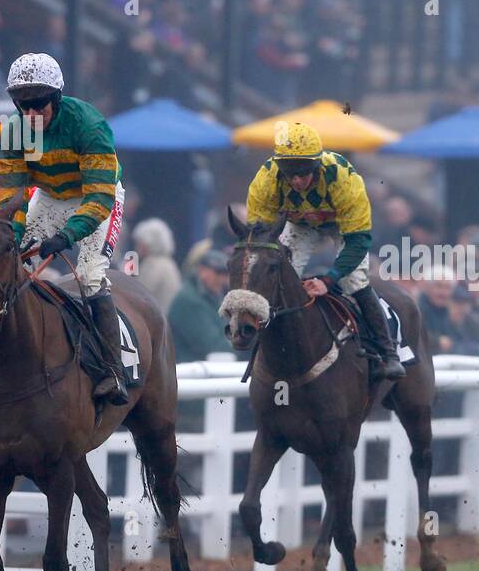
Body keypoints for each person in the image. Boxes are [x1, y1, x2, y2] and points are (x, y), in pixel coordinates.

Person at [0, 52, 130, 405]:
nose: (32, 113)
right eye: (23, 105)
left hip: (96, 196)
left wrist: (66, 236)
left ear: (56, 98)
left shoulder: (89, 124)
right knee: (8, 264)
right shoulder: (13, 132)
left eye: (39, 103)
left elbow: (98, 198)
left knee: (89, 276)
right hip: (49, 197)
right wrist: (14, 238)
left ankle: (113, 370)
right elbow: (12, 200)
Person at [243, 122, 404, 379]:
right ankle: (262, 344)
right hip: (300, 225)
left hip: (342, 227)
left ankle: (388, 353)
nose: (296, 180)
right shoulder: (266, 180)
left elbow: (359, 241)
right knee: (276, 275)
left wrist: (328, 280)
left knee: (355, 280)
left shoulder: (344, 179)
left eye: (302, 173)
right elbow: (261, 237)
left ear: (317, 166)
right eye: (289, 173)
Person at [168, 248, 233, 364]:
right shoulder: (189, 300)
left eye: (225, 273)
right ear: (201, 270)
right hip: (186, 369)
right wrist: (244, 347)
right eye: (218, 273)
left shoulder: (213, 297)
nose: (222, 279)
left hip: (204, 367)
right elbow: (212, 345)